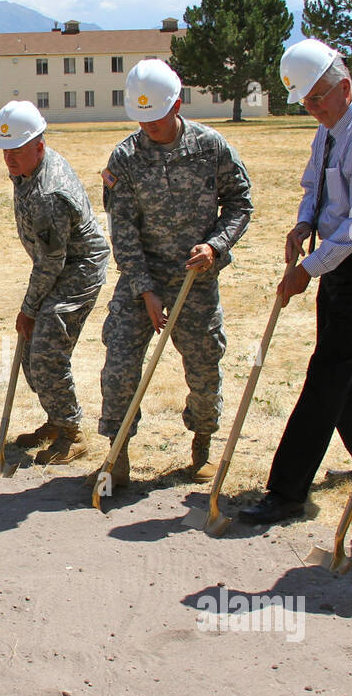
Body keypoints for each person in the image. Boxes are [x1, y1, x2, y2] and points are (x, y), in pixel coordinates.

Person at [240, 40, 352, 525]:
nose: (313, 109)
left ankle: (287, 492)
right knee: (337, 366)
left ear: (345, 87)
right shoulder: (330, 131)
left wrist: (306, 270)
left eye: (319, 98)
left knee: (326, 374)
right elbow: (314, 186)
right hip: (336, 258)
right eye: (306, 102)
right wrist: (301, 225)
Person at [92, 59, 252, 488]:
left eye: (157, 121)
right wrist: (145, 290)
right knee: (121, 365)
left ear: (177, 105)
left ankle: (202, 444)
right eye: (141, 121)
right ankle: (117, 451)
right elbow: (122, 230)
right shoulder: (124, 158)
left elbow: (240, 204)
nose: (148, 129)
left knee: (204, 368)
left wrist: (215, 246)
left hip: (194, 281)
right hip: (140, 279)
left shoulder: (210, 147)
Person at [0, 101, 108, 464]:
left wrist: (28, 310)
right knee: (32, 350)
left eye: (17, 151)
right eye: (5, 151)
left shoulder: (48, 195)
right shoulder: (29, 167)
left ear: (39, 146)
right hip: (56, 264)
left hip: (77, 268)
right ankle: (56, 420)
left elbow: (50, 262)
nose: (9, 159)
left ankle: (72, 434)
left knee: (44, 348)